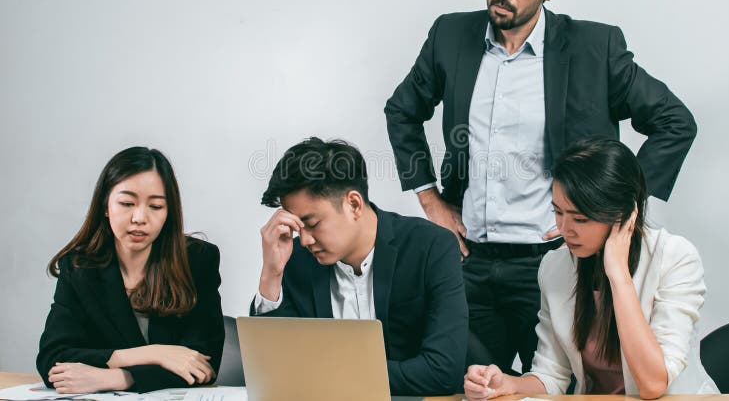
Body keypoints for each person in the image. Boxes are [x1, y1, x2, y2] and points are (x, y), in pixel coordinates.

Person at [384, 0, 697, 373]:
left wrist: (612, 211)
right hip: (468, 261)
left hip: (555, 265)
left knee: (557, 386)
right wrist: (430, 201)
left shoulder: (596, 48)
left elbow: (675, 121)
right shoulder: (450, 35)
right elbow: (402, 110)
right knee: (470, 386)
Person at [463, 138, 718, 399]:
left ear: (624, 214)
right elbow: (551, 375)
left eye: (580, 218)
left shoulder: (675, 258)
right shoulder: (556, 266)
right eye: (558, 212)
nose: (565, 228)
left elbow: (653, 385)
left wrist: (618, 276)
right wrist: (508, 384)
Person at [249, 137, 468, 396]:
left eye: (312, 223)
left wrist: (330, 375)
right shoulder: (294, 259)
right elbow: (273, 372)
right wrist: (271, 276)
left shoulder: (431, 247)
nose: (305, 239)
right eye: (297, 226)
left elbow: (442, 372)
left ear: (353, 204)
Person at [37, 147, 224, 394]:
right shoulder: (79, 267)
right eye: (126, 203)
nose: (139, 218)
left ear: (169, 212)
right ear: (105, 206)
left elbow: (202, 365)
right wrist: (156, 353)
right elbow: (54, 359)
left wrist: (117, 378)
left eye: (156, 207)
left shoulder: (198, 260)